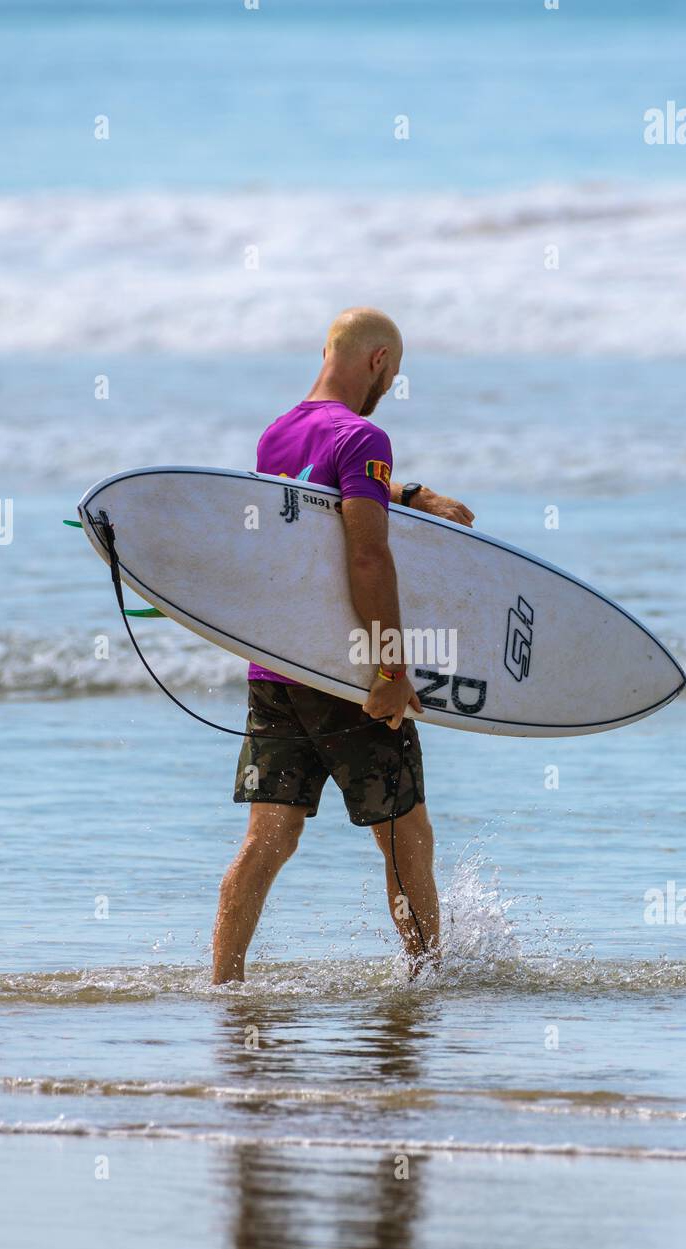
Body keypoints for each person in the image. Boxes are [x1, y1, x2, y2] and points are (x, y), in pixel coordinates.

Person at [211, 308, 475, 984]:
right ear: (380, 361)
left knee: (268, 839)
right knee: (402, 834)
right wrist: (392, 667)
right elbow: (366, 555)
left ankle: (223, 984)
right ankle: (426, 982)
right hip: (343, 672)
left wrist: (413, 492)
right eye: (394, 375)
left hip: (275, 666)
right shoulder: (364, 435)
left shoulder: (279, 434)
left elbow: (315, 504)